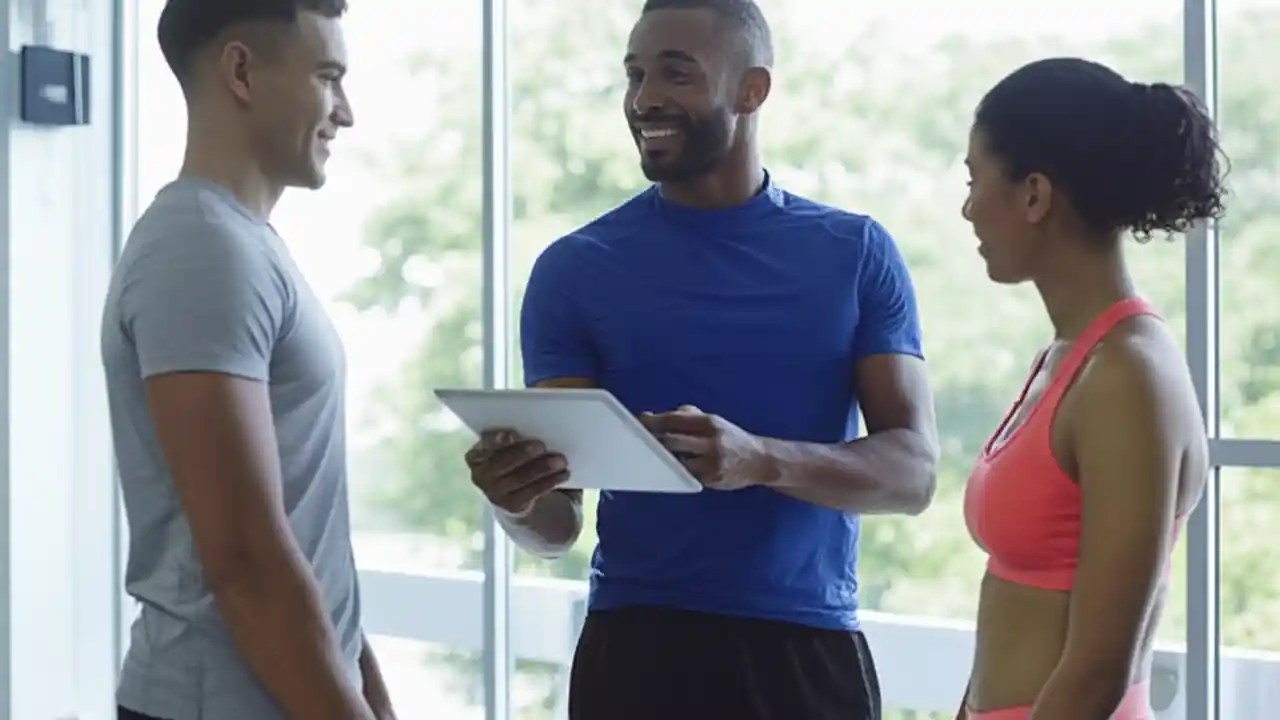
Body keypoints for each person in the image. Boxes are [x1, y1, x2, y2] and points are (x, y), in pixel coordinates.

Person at [465, 1, 939, 718]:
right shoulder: (574, 270)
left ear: (752, 90)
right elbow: (557, 526)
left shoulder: (855, 254)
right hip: (636, 655)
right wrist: (514, 500)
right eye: (634, 75)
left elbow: (913, 473)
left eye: (675, 74)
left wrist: (761, 461)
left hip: (804, 657)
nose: (645, 97)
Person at [100, 2, 395, 719]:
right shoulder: (201, 250)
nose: (345, 113)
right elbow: (246, 560)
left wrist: (372, 698)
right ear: (241, 72)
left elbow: (302, 535)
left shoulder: (239, 244)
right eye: (328, 77)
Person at [958, 57, 1225, 720]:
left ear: (1034, 194)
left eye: (974, 178)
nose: (967, 209)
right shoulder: (1067, 357)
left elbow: (1098, 669)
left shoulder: (1127, 376)